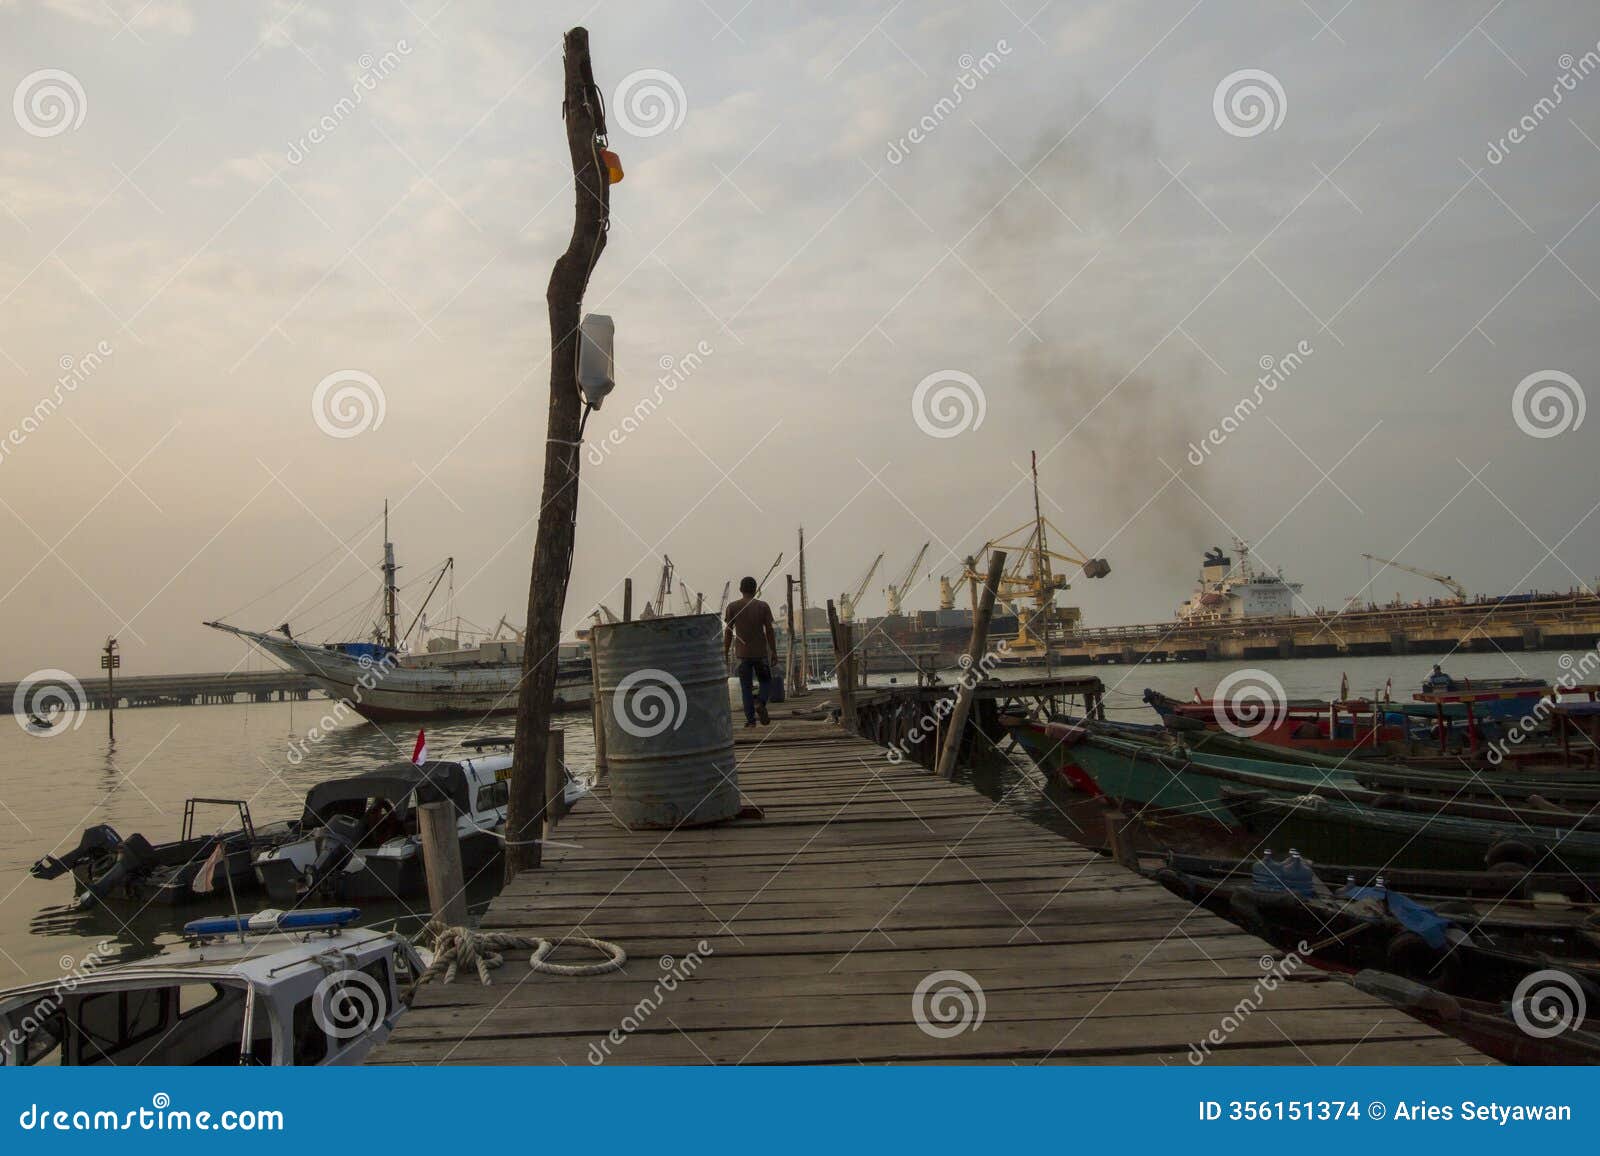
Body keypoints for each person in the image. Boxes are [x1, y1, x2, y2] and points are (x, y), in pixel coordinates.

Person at [723, 575, 777, 727]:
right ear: (755, 589)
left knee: (745, 688)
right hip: (760, 654)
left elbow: (728, 632)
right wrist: (773, 651)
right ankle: (760, 702)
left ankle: (751, 721)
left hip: (742, 655)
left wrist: (725, 652)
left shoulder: (732, 607)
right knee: (766, 681)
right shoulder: (763, 606)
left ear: (741, 589)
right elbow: (770, 630)